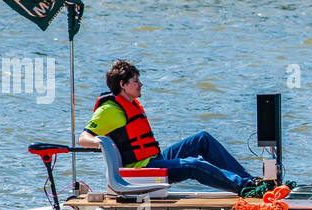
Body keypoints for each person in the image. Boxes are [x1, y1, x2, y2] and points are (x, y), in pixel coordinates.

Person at [78, 60, 258, 193]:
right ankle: (244, 187)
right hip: (142, 168)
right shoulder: (109, 110)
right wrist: (102, 143)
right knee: (194, 165)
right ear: (123, 85)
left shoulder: (131, 103)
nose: (141, 84)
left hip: (153, 158)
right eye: (136, 81)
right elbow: (83, 138)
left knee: (202, 139)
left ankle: (250, 180)